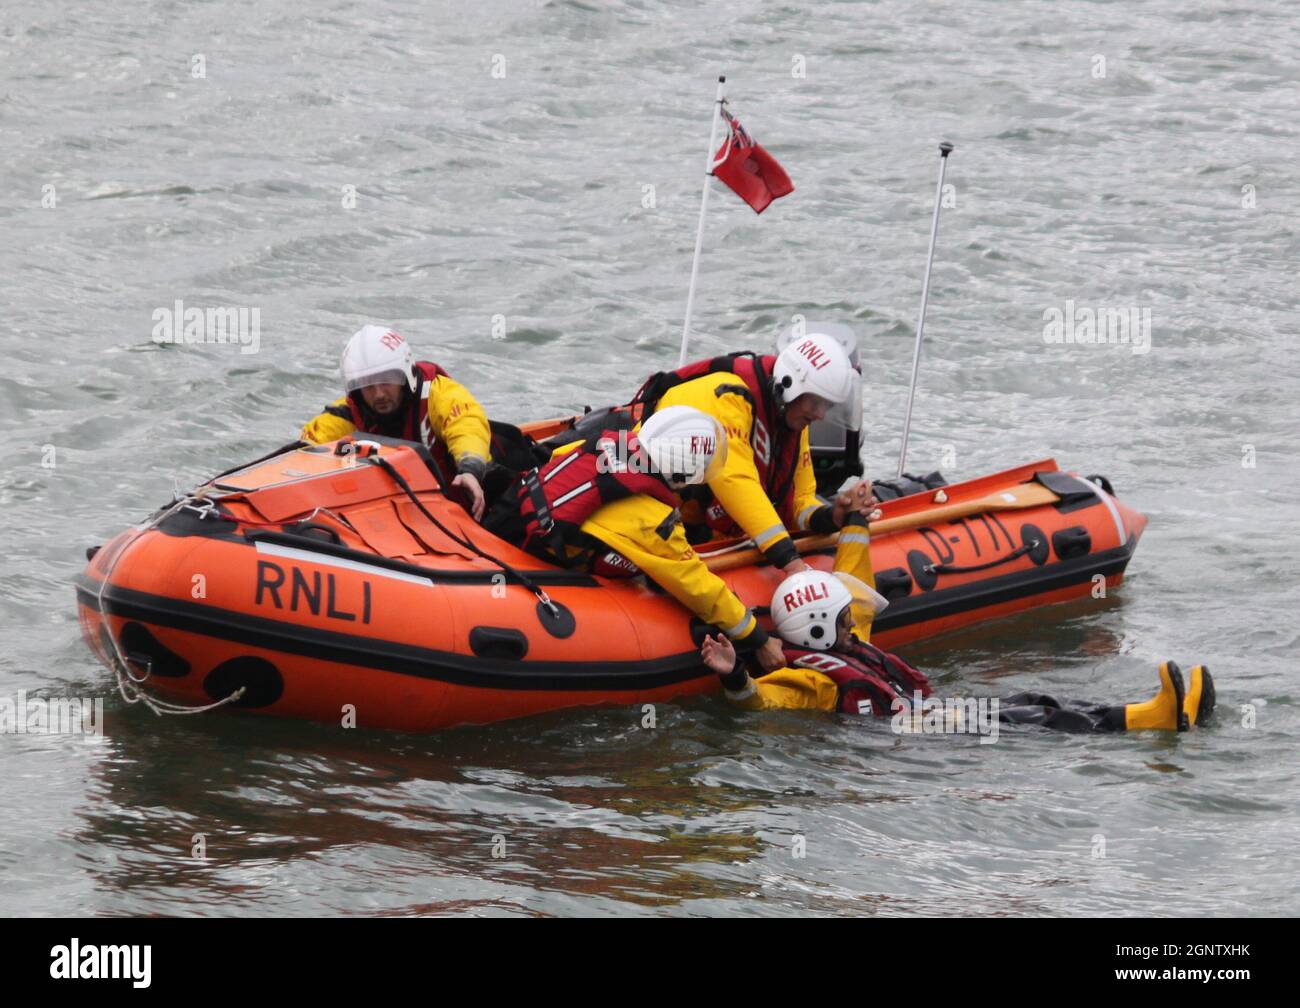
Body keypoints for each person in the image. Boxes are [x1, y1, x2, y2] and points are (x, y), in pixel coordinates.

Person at [700, 568, 1215, 733]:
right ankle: (1154, 718)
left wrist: (856, 520)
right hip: (921, 734)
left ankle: (1169, 713)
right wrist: (731, 676)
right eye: (842, 618)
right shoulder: (809, 678)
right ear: (816, 630)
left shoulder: (851, 648)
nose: (853, 623)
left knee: (1035, 697)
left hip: (931, 715)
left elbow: (855, 572)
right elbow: (762, 703)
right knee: (1037, 718)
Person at [483, 405, 789, 672]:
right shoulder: (653, 520)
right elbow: (698, 586)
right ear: (684, 470)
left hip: (505, 525)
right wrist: (757, 637)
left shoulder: (602, 444)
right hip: (532, 562)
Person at [631, 330, 876, 578]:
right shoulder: (728, 397)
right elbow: (734, 479)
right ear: (790, 385)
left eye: (827, 406)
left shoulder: (791, 419)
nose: (821, 415)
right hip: (648, 520)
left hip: (703, 535)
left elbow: (800, 502)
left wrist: (833, 515)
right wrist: (789, 560)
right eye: (816, 402)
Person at [301, 325, 491, 519]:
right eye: (368, 386)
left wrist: (470, 470)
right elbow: (307, 449)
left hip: (466, 506)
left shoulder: (437, 393)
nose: (379, 394)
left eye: (386, 381)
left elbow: (467, 425)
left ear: (405, 375)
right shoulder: (348, 413)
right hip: (399, 516)